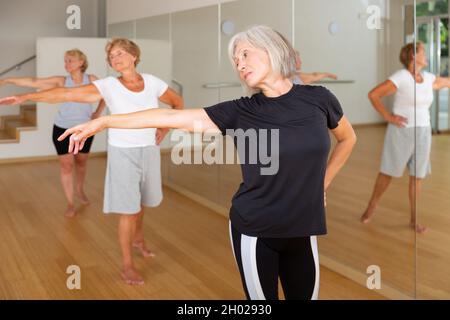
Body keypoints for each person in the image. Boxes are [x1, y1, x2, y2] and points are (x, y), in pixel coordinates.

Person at [48, 26, 356, 300]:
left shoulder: (319, 98)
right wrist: (104, 123)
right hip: (256, 229)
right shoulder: (241, 111)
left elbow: (348, 139)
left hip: (304, 228)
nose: (240, 64)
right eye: (236, 59)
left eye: (245, 54)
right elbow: (169, 116)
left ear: (273, 50)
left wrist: (322, 182)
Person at [0, 39, 184, 286]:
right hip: (123, 153)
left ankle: (139, 238)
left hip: (149, 150)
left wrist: (164, 128)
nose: (115, 58)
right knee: (128, 211)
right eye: (111, 55)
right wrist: (26, 97)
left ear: (133, 56)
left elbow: (177, 103)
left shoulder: (152, 82)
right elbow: (65, 93)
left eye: (120, 53)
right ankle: (127, 265)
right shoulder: (108, 85)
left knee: (142, 204)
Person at [0, 49, 105, 217]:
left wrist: (97, 114)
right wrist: (7, 80)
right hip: (62, 128)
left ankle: (79, 190)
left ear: (81, 62)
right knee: (66, 165)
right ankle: (70, 203)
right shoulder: (61, 81)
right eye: (65, 61)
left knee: (81, 162)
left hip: (84, 129)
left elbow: (106, 95)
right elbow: (34, 81)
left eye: (70, 60)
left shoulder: (91, 80)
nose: (66, 64)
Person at [361, 41, 450, 233]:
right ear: (413, 56)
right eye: (423, 52)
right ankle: (371, 207)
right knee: (388, 173)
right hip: (401, 131)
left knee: (417, 177)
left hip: (424, 132)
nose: (426, 55)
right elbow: (374, 95)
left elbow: (446, 82)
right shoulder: (401, 77)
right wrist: (388, 117)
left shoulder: (428, 78)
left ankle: (414, 219)